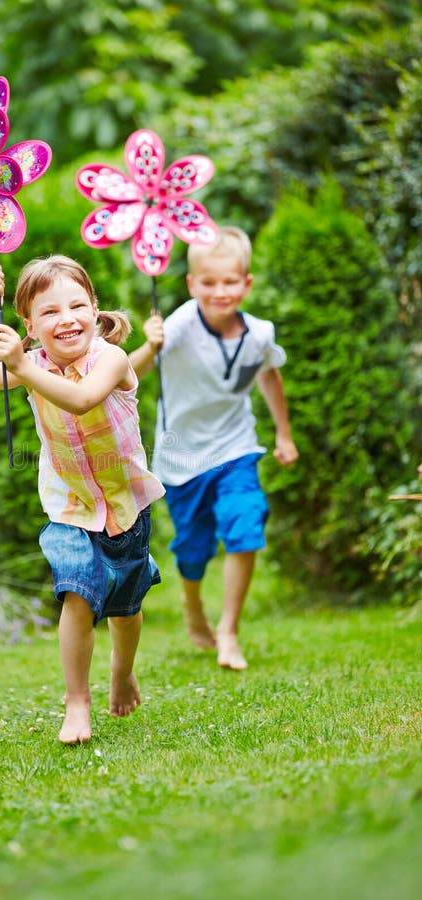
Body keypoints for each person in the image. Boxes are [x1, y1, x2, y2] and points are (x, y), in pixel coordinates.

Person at [0, 254, 165, 743]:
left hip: (126, 504)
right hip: (70, 504)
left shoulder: (111, 359)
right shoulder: (32, 362)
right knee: (77, 592)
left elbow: (81, 399)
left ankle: (122, 672)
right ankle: (77, 702)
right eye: (50, 312)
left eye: (78, 305)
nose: (67, 319)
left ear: (95, 309)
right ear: (30, 327)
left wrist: (19, 365)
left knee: (125, 604)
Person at [129, 226, 298, 670]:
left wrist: (283, 433)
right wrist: (151, 344)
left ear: (246, 283)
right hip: (182, 459)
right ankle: (193, 606)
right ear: (191, 284)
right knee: (192, 549)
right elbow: (130, 374)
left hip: (235, 448)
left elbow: (268, 376)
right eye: (208, 282)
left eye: (229, 282)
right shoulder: (180, 325)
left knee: (245, 522)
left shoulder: (259, 333)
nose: (220, 291)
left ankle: (229, 630)